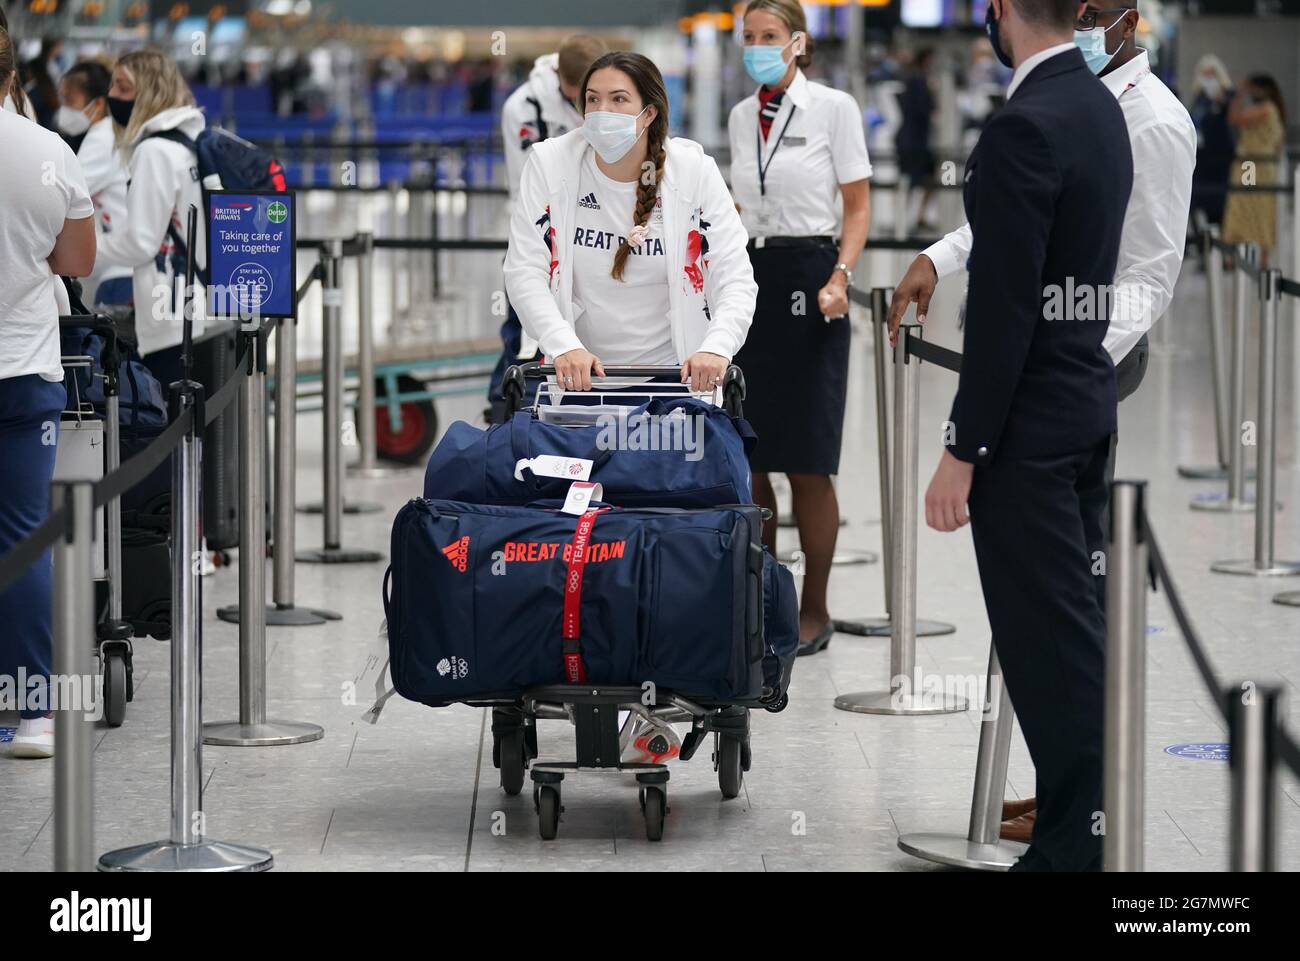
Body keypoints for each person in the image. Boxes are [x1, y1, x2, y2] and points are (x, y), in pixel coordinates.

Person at [892, 2, 1196, 842]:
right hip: (1071, 394)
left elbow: (1046, 294)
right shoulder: (1094, 101)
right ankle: (1077, 804)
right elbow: (1029, 226)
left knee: (1051, 630)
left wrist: (967, 442)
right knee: (1066, 623)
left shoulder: (1114, 118)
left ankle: (1079, 835)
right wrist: (944, 255)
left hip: (1052, 394)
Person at [727, 0, 871, 655]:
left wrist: (840, 274)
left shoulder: (834, 109)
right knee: (753, 459)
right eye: (749, 36)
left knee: (809, 461)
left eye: (769, 36)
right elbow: (740, 199)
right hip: (751, 277)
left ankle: (814, 607)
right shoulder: (738, 117)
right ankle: (763, 601)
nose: (758, 46)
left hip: (813, 278)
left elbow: (858, 204)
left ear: (797, 43)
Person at [504, 50, 755, 391]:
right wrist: (563, 344)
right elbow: (524, 270)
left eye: (619, 99)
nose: (602, 111)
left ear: (649, 112)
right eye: (593, 99)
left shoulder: (693, 172)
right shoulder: (550, 164)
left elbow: (734, 273)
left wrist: (717, 346)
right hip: (578, 379)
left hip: (673, 379)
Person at [0, 26, 97, 758]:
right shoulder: (47, 150)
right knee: (23, 534)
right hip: (24, 366)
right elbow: (75, 259)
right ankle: (35, 711)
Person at [489, 34, 607, 421]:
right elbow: (532, 183)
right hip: (541, 234)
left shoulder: (606, 96)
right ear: (561, 79)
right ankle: (509, 410)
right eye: (582, 95)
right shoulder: (523, 107)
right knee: (526, 329)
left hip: (596, 233)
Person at [94, 49, 206, 386]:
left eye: (123, 88)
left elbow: (141, 242)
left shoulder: (154, 151)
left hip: (168, 313)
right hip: (192, 306)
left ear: (150, 91)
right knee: (191, 425)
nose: (111, 95)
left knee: (167, 426)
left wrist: (81, 250)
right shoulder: (187, 140)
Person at [58, 60, 132, 307]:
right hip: (117, 268)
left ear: (98, 104)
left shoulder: (102, 138)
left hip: (120, 272)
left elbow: (64, 196)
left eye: (70, 100)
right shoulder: (105, 134)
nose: (64, 109)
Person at [1222, 73, 1286, 265]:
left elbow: (1233, 118)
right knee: (1251, 206)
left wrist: (1239, 95)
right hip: (1258, 166)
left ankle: (1248, 257)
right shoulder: (1272, 109)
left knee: (1247, 204)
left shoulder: (1265, 109)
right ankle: (1247, 255)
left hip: (1252, 166)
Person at [1188, 55, 1235, 227]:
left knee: (1219, 201)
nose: (1208, 79)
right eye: (1205, 75)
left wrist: (1221, 100)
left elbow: (1230, 118)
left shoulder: (1228, 95)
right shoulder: (1200, 97)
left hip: (1220, 156)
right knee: (1198, 198)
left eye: (1211, 74)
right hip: (1202, 156)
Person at [895, 48, 938, 232]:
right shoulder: (920, 80)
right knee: (922, 180)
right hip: (917, 141)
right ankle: (912, 218)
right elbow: (924, 110)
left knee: (916, 181)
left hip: (908, 138)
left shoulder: (910, 79)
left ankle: (911, 217)